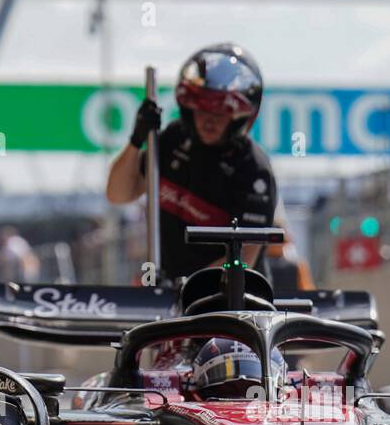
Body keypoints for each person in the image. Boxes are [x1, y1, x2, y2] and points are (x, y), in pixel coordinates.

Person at [105, 42, 277, 281]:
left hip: (230, 303)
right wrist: (137, 140)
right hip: (167, 297)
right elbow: (118, 194)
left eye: (219, 113)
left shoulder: (254, 171)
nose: (209, 121)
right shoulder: (171, 140)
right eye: (202, 110)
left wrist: (184, 289)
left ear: (239, 116)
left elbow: (244, 259)